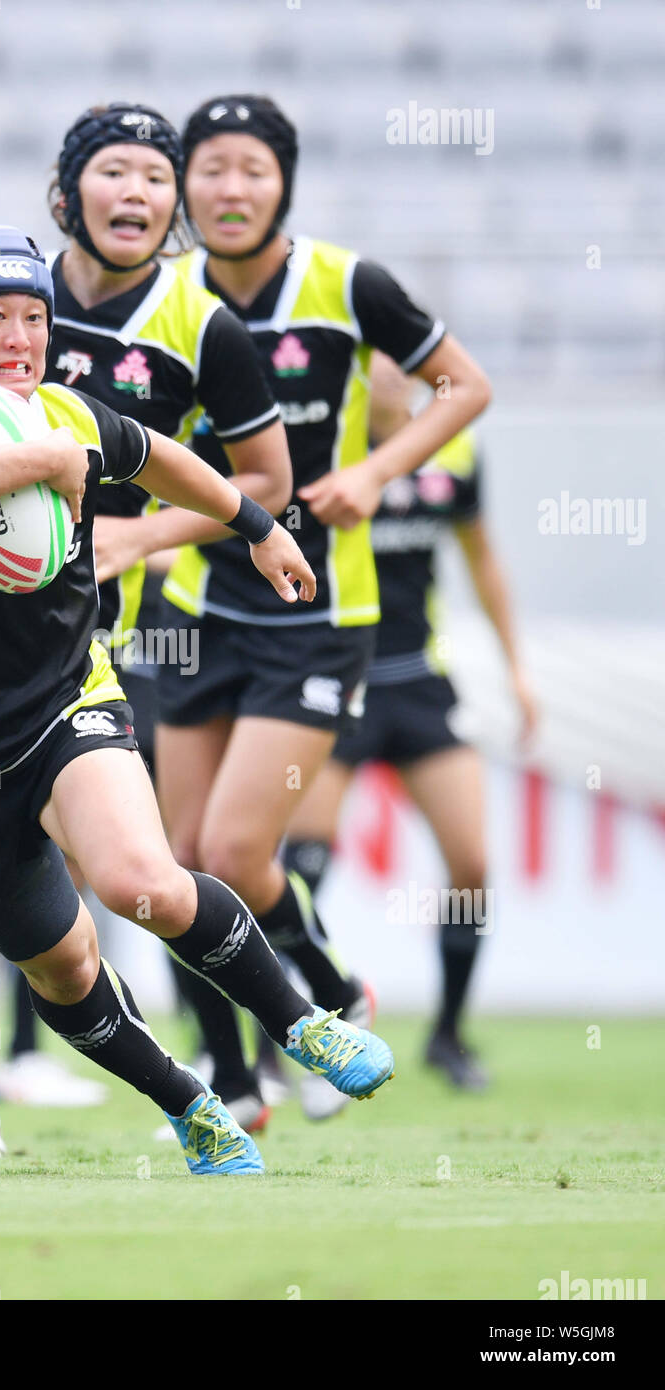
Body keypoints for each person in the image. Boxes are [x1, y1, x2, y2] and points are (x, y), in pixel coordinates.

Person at [0, 221, 396, 1177]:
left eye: (34, 317)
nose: (20, 337)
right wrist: (46, 465)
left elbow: (158, 459)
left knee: (141, 880)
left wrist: (257, 523)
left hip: (68, 701)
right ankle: (187, 1100)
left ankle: (305, 1023)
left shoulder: (62, 408)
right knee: (62, 968)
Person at [104, 94, 492, 1124]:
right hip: (192, 607)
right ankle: (234, 1079)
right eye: (211, 169)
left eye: (253, 169)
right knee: (173, 866)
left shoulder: (344, 283)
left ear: (284, 181)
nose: (230, 189)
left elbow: (463, 384)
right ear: (183, 185)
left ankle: (328, 992)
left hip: (318, 617)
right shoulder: (165, 297)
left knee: (234, 853)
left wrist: (373, 471)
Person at [285, 351, 537, 1090]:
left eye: (404, 364)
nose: (390, 378)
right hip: (338, 680)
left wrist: (516, 667)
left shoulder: (453, 447)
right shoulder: (321, 447)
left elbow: (482, 555)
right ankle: (292, 1026)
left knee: (472, 866)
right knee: (299, 869)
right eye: (373, 363)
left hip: (421, 683)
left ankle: (448, 1036)